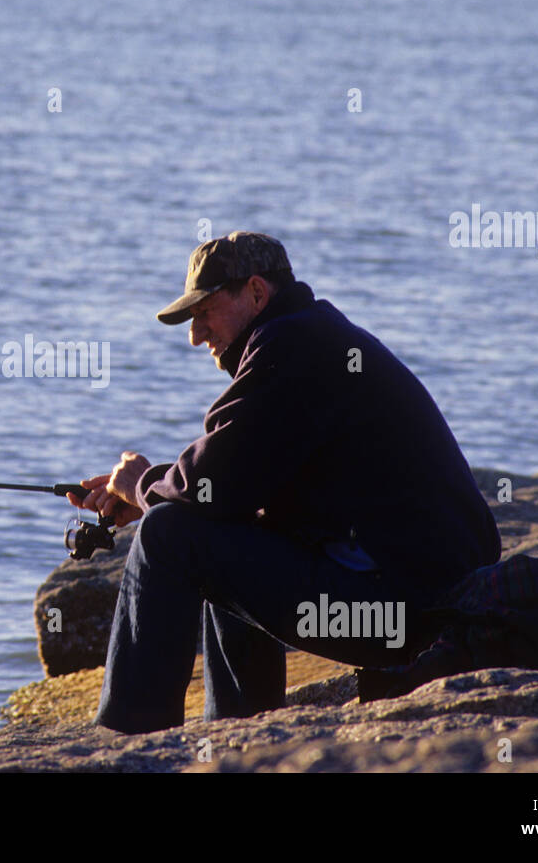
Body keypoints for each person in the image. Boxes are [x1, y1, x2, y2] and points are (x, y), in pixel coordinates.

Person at [69, 231, 501, 734]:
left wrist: (142, 484)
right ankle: (240, 734)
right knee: (215, 525)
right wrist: (153, 493)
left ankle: (126, 739)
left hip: (410, 614)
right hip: (425, 601)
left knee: (168, 536)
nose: (195, 334)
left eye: (204, 310)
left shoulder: (290, 345)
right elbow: (229, 486)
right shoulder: (313, 336)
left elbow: (213, 479)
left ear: (255, 292)